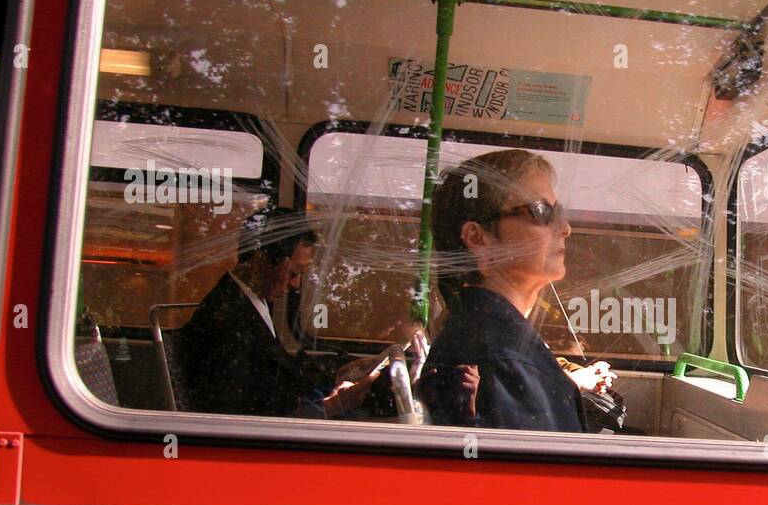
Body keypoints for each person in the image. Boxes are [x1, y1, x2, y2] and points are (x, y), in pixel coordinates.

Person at [417, 149, 615, 431]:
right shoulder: (503, 360)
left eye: (558, 212)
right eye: (541, 211)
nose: (565, 228)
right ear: (479, 238)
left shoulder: (488, 334)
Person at [179, 206, 375, 418]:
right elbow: (238, 412)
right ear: (259, 260)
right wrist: (331, 407)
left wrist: (337, 371)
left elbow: (273, 369)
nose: (295, 283)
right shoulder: (228, 321)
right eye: (293, 272)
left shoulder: (251, 301)